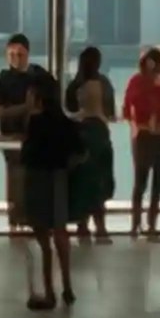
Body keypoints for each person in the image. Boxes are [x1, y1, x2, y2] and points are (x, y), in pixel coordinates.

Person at [22, 70, 84, 310]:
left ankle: (49, 291)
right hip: (58, 179)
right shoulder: (66, 123)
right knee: (60, 234)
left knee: (43, 240)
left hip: (37, 179)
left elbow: (27, 155)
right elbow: (80, 153)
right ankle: (67, 286)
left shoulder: (35, 121)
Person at [0, 34, 47, 231]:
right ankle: (15, 217)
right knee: (14, 176)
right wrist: (24, 108)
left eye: (20, 54)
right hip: (9, 135)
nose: (15, 58)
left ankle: (30, 216)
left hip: (32, 135)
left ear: (27, 54)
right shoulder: (4, 77)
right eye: (12, 54)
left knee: (31, 177)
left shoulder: (37, 78)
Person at [123, 47, 160, 239]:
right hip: (145, 135)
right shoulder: (138, 83)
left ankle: (146, 224)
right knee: (143, 180)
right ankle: (138, 224)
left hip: (155, 135)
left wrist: (152, 124)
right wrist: (142, 124)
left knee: (154, 180)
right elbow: (127, 109)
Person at [65, 46, 115, 243]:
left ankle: (81, 224)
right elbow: (110, 110)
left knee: (81, 181)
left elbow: (69, 108)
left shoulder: (75, 84)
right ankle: (100, 227)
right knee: (99, 181)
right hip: (100, 132)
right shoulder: (104, 83)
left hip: (79, 132)